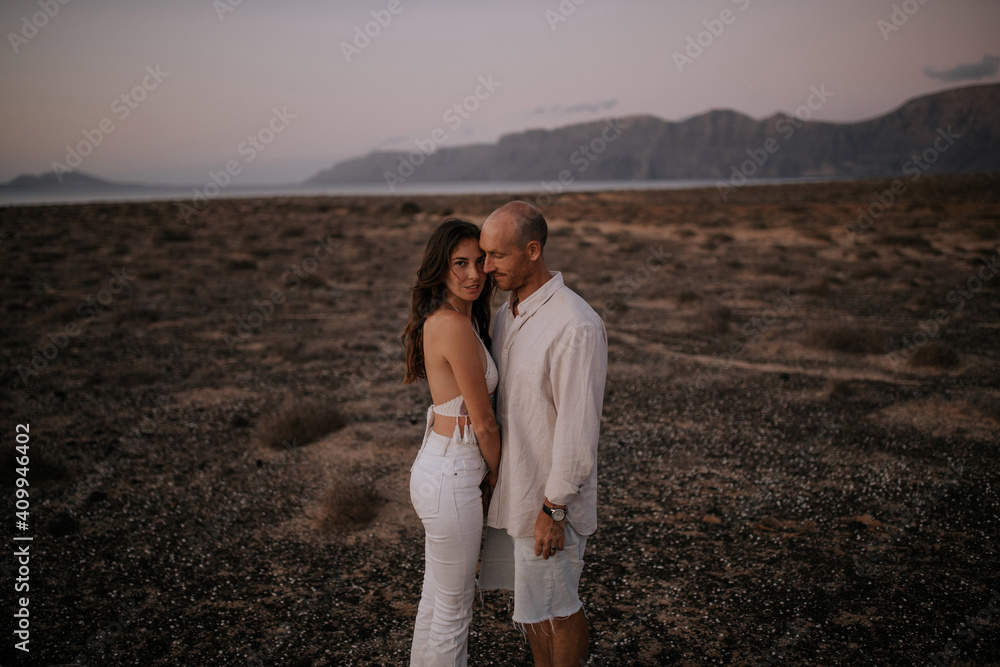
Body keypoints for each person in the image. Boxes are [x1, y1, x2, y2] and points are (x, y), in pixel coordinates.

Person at [478, 201, 607, 666]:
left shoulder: (575, 325)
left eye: (498, 256)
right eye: (484, 255)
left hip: (550, 503)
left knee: (559, 609)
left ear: (533, 250)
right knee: (530, 609)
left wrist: (553, 508)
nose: (486, 266)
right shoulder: (504, 316)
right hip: (516, 493)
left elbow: (578, 431)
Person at [402, 218, 501, 666]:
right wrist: (499, 474)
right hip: (453, 476)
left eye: (480, 262)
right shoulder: (453, 325)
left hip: (440, 468)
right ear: (440, 267)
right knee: (453, 612)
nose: (474, 274)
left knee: (436, 602)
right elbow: (483, 423)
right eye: (460, 263)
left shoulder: (457, 318)